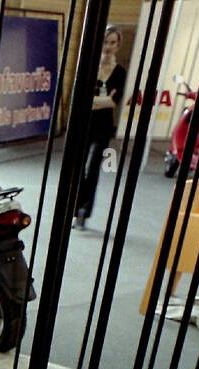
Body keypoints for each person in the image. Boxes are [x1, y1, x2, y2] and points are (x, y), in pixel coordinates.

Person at [75, 27, 126, 230]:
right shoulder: (89, 67)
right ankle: (75, 208)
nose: (109, 47)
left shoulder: (120, 72)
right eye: (106, 42)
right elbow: (82, 99)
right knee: (78, 170)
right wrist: (101, 100)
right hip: (83, 124)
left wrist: (98, 100)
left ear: (118, 46)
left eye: (113, 43)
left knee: (93, 168)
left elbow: (114, 101)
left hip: (104, 126)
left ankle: (84, 213)